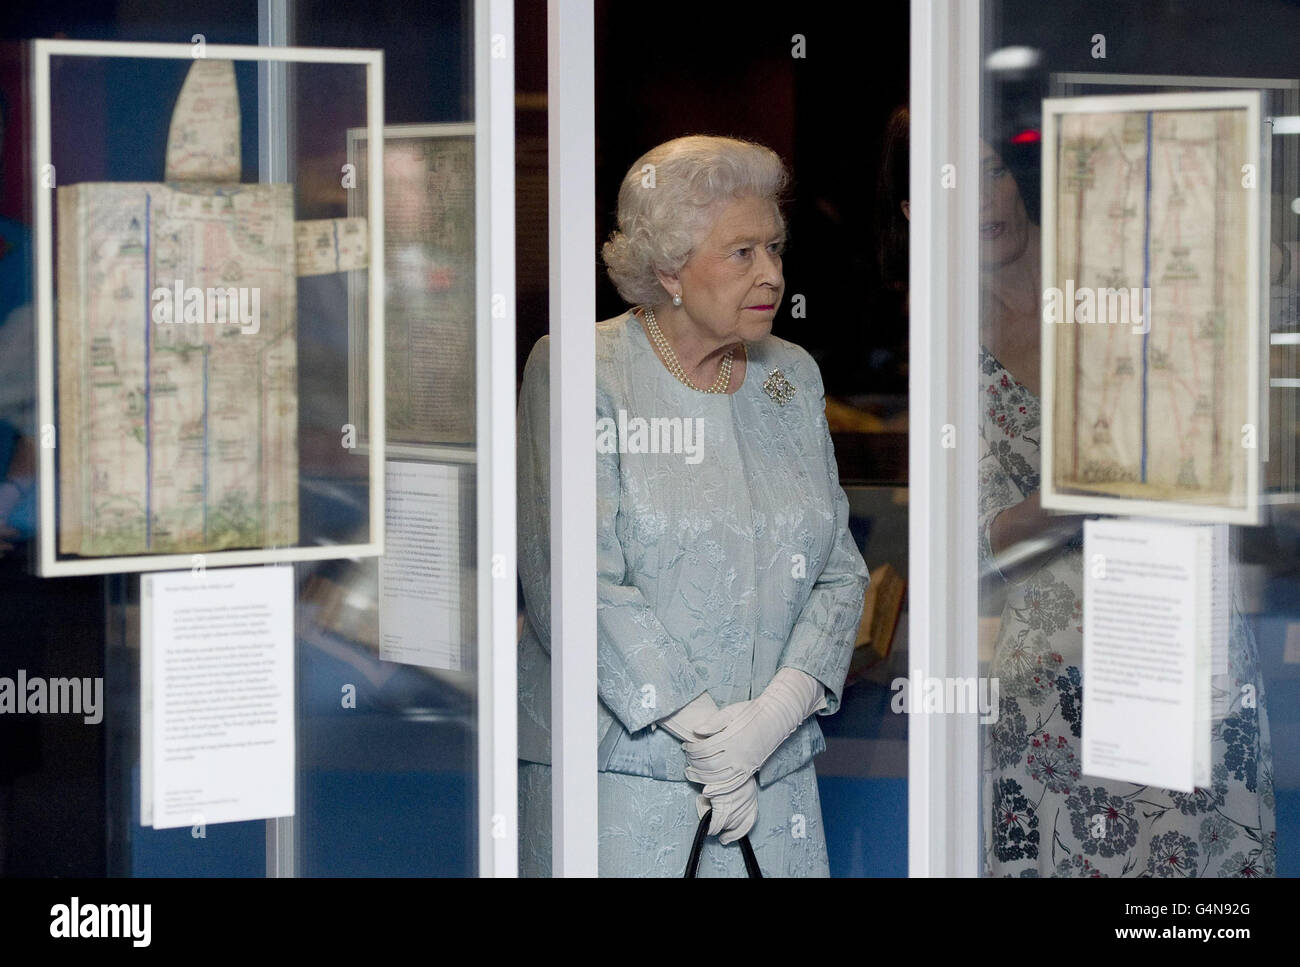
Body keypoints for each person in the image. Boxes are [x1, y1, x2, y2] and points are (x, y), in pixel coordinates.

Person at [877, 112, 1276, 877]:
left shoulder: (1123, 274)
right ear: (913, 211)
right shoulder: (941, 347)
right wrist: (1066, 496)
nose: (985, 200)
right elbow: (956, 545)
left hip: (1178, 636)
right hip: (1053, 682)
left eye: (992, 169)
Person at [515, 135, 870, 877]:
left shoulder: (789, 377)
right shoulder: (584, 370)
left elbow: (839, 572)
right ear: (670, 268)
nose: (771, 272)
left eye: (775, 247)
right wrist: (712, 738)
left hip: (774, 783)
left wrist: (761, 731)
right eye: (742, 252)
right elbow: (574, 582)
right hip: (625, 787)